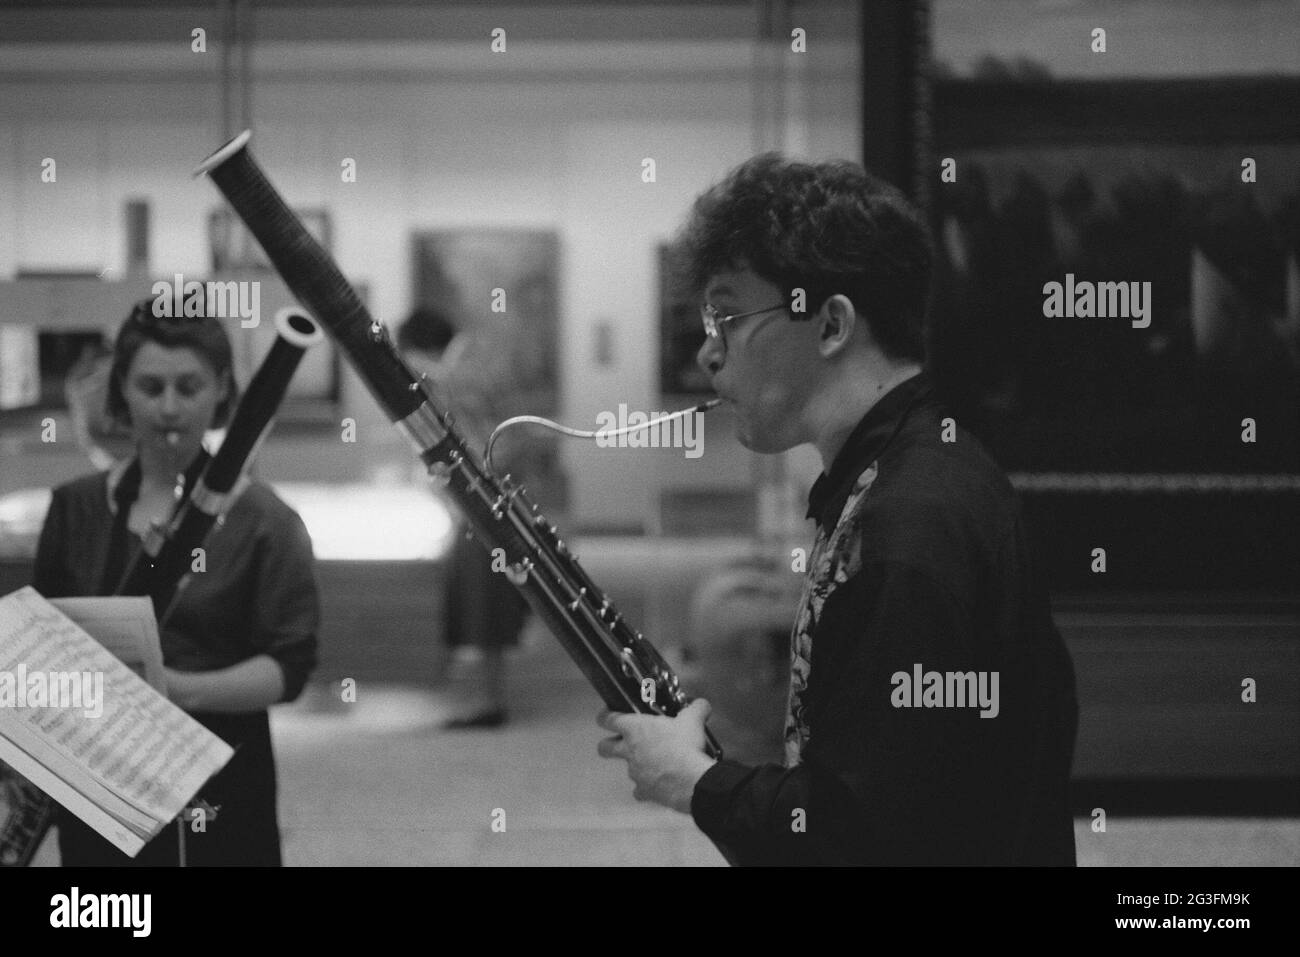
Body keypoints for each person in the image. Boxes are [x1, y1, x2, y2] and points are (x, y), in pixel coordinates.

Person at [595, 154, 1078, 866]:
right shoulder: (913, 476)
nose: (707, 352)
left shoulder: (908, 525)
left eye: (728, 315)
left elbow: (862, 838)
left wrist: (696, 780)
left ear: (830, 325)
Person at [32, 300, 319, 866]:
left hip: (222, 781)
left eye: (188, 387)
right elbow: (39, 653)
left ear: (220, 392)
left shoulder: (267, 520)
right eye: (150, 386)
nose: (168, 408)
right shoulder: (75, 508)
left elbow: (289, 668)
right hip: (98, 782)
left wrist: (171, 691)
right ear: (122, 393)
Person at [399, 305, 530, 729]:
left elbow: (482, 445)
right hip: (487, 505)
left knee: (482, 608)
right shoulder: (471, 366)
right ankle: (487, 698)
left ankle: (488, 702)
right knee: (482, 606)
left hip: (484, 507)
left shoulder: (458, 376)